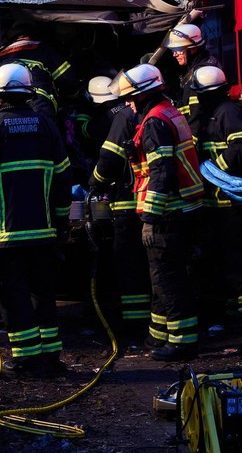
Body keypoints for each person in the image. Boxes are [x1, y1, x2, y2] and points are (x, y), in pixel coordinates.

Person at [0, 64, 72, 377]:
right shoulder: (46, 125)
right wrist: (61, 222)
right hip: (45, 233)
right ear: (29, 92)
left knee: (14, 296)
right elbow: (63, 177)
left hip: (6, 236)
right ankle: (51, 358)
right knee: (44, 294)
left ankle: (27, 360)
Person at [117, 63, 205, 361]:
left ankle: (181, 343)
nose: (128, 103)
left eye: (130, 97)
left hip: (167, 215)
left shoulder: (154, 122)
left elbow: (162, 173)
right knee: (163, 277)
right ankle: (158, 335)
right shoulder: (169, 112)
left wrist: (150, 219)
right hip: (183, 209)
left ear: (143, 94)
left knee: (168, 279)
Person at [188, 66, 242, 328]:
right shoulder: (208, 116)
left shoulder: (228, 112)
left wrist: (215, 171)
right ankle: (235, 309)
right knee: (223, 258)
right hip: (216, 204)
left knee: (240, 257)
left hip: (233, 204)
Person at [87, 75, 152, 345]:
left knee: (129, 265)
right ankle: (151, 322)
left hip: (126, 202)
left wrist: (95, 182)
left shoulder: (120, 117)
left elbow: (109, 158)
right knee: (152, 266)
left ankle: (134, 324)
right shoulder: (159, 112)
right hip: (153, 202)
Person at [0, 21, 80, 116]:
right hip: (38, 102)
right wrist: (73, 97)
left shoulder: (0, 56)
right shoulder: (45, 49)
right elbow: (68, 80)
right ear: (35, 34)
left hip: (6, 106)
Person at [163, 23, 219, 122]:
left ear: (193, 48)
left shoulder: (202, 74)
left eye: (178, 49)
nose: (174, 54)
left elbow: (197, 115)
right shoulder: (194, 67)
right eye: (172, 50)